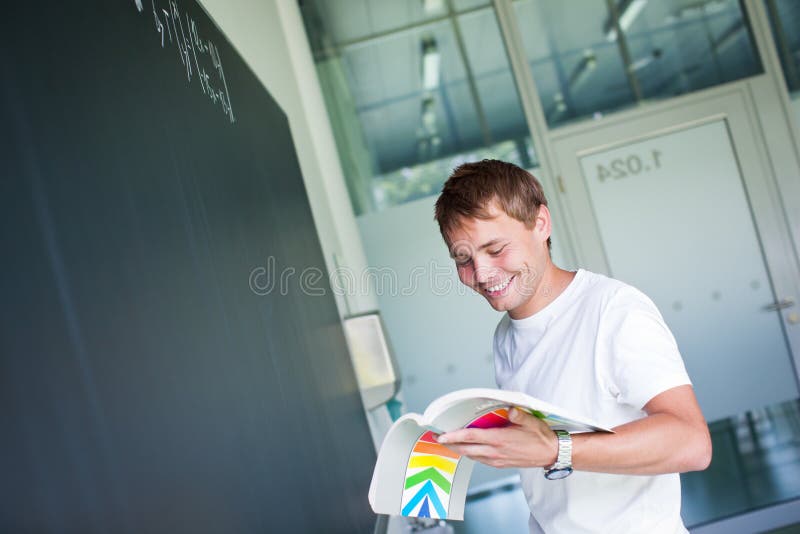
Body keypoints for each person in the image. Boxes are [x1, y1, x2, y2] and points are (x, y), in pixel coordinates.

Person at [432, 159, 711, 533]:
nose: (481, 274)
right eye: (464, 259)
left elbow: (692, 443)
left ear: (540, 223)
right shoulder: (506, 335)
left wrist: (554, 449)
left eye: (496, 249)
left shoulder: (613, 310)